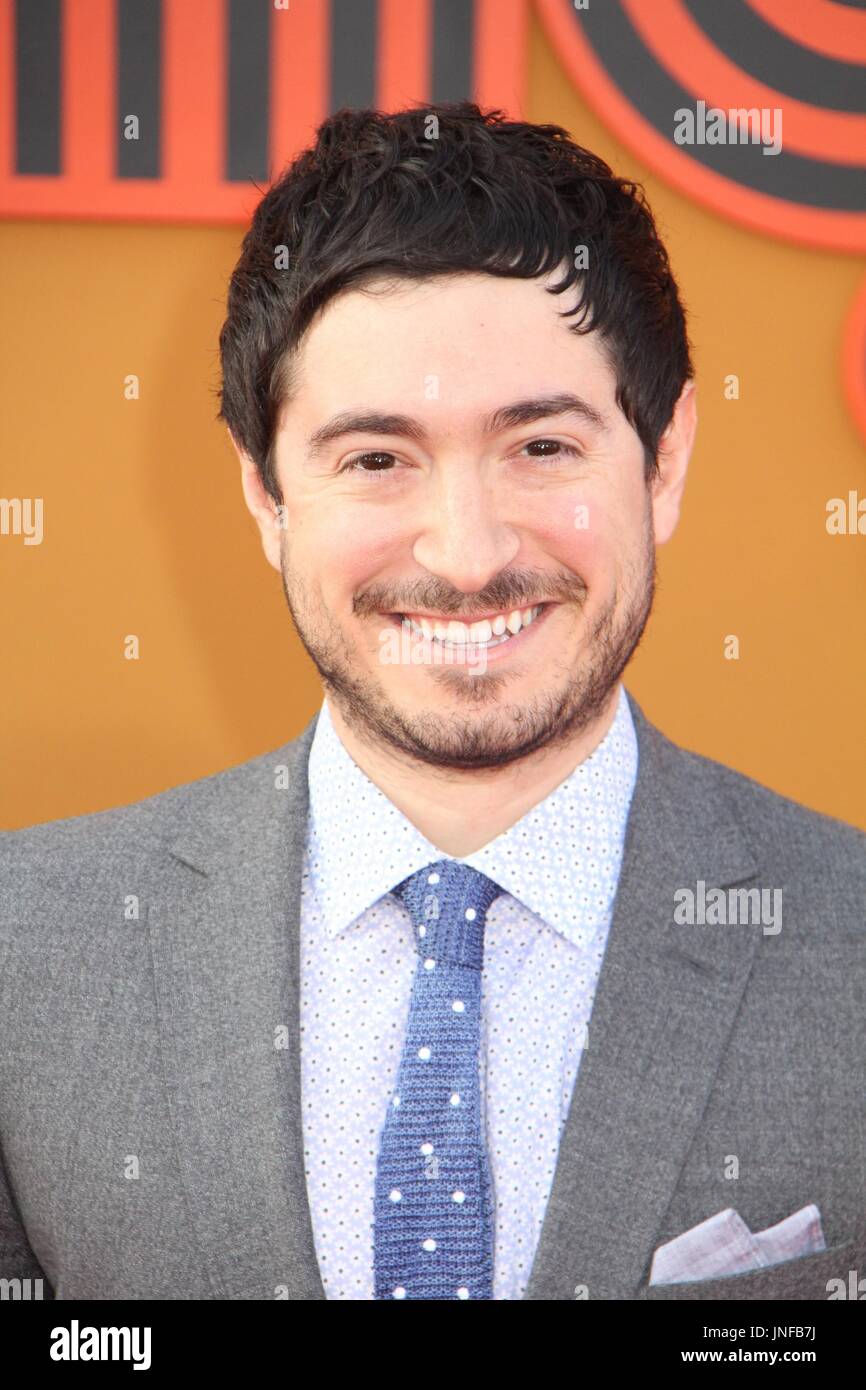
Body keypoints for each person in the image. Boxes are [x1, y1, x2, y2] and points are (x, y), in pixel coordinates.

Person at [1, 103, 864, 1302]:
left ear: (662, 460)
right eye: (374, 459)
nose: (464, 555)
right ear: (264, 497)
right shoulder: (26, 955)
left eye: (543, 448)